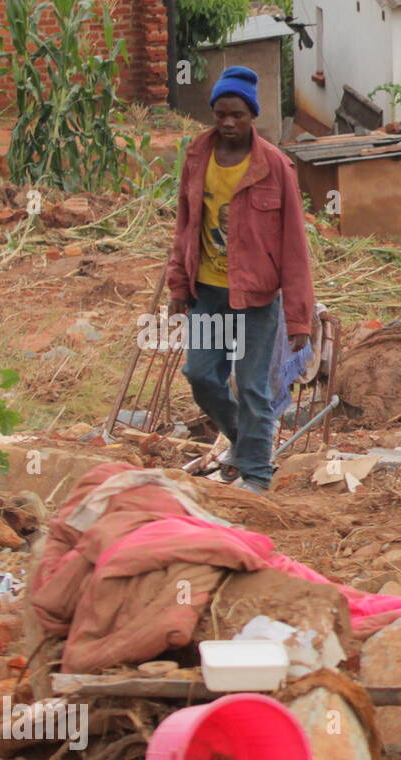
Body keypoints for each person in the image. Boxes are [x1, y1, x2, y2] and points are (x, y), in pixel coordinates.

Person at [166, 66, 315, 492]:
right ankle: (247, 443)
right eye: (220, 114)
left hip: (256, 299)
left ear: (252, 115)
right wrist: (179, 286)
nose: (228, 123)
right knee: (201, 376)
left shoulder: (274, 166)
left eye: (237, 115)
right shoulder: (197, 156)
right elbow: (184, 225)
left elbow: (294, 247)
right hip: (209, 293)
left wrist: (299, 317)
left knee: (252, 387)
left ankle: (256, 475)